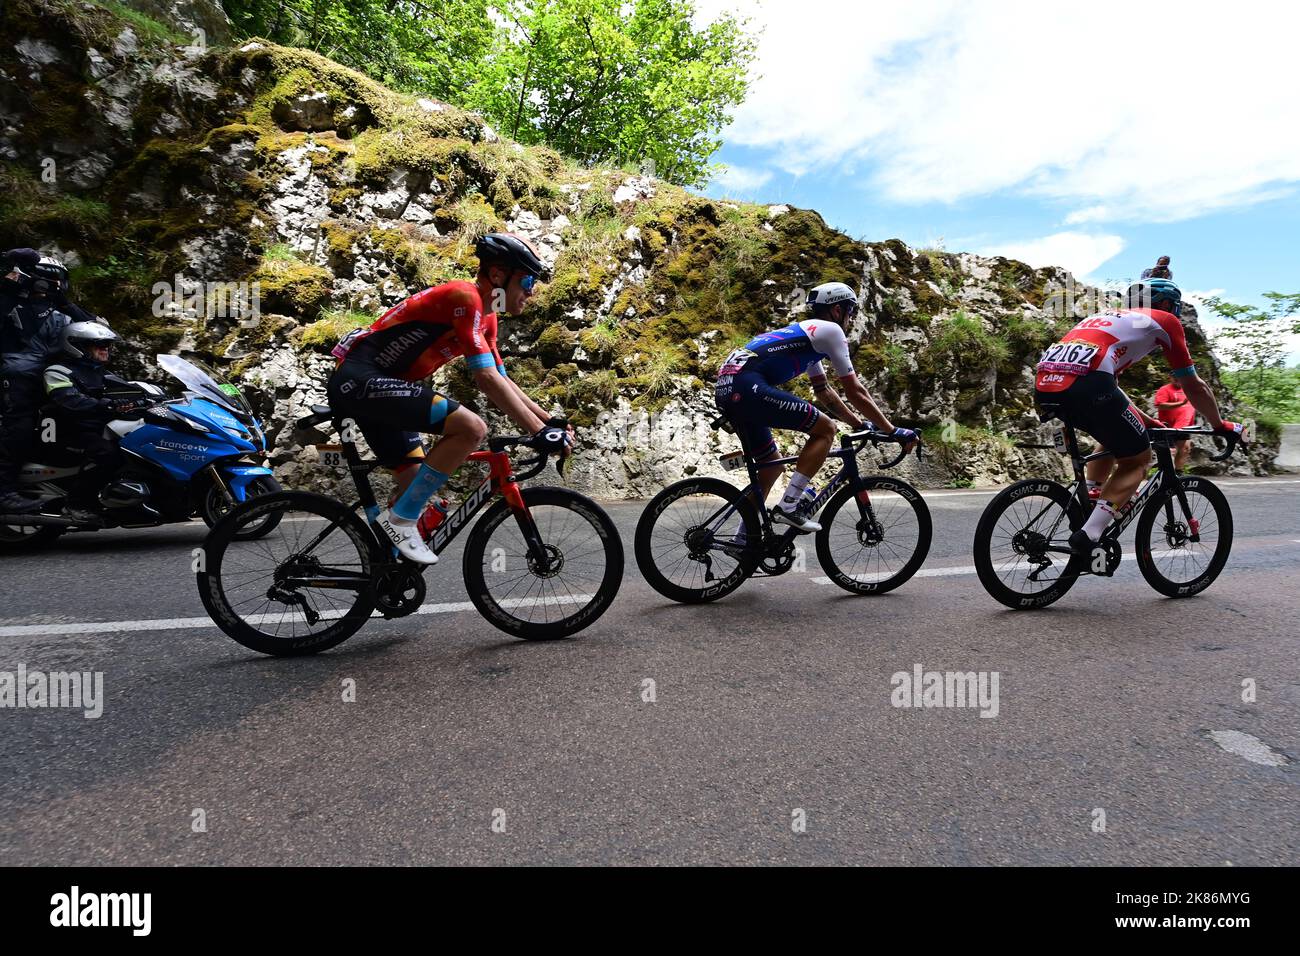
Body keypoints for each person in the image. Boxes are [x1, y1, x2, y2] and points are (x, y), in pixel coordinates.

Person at [327, 232, 570, 564]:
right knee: (471, 428)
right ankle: (400, 522)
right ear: (498, 274)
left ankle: (384, 570)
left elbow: (501, 378)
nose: (532, 290)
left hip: (383, 391)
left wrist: (547, 422)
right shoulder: (465, 297)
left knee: (414, 491)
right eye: (527, 279)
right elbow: (484, 378)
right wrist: (537, 432)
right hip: (360, 380)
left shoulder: (488, 317)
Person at [1033, 278, 1242, 554]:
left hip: (1045, 385)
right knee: (1137, 461)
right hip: (1090, 386)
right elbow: (1193, 385)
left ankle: (1094, 494)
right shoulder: (1164, 319)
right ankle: (1089, 536)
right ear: (1167, 304)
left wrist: (1145, 420)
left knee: (1113, 434)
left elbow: (1111, 389)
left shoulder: (1103, 317)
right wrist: (1220, 424)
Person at [714, 281, 917, 533]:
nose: (851, 319)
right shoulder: (831, 331)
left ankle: (743, 539)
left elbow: (825, 393)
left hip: (728, 388)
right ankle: (789, 506)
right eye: (850, 311)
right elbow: (855, 391)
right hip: (746, 387)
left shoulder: (808, 337)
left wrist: (858, 424)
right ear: (836, 310)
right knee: (825, 429)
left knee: (772, 466)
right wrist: (891, 430)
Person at [0, 250, 97, 514]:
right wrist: (10, 288)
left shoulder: (59, 312)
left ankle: (75, 484)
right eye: (46, 280)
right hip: (16, 376)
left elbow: (97, 330)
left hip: (52, 376)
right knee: (18, 426)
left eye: (57, 281)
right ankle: (4, 492)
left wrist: (65, 303)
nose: (51, 286)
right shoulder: (10, 304)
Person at [40, 322, 145, 522]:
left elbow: (127, 389)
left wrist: (148, 397)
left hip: (97, 428)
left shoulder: (100, 371)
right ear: (77, 346)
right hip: (69, 431)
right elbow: (68, 399)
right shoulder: (57, 371)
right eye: (99, 344)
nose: (106, 348)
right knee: (108, 455)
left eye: (107, 344)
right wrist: (104, 405)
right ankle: (77, 503)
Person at [1153, 371, 1196, 470]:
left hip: (1185, 427)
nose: (1177, 379)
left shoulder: (1188, 389)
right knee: (1170, 452)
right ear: (1170, 377)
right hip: (1168, 427)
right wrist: (1180, 404)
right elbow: (1160, 405)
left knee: (1185, 449)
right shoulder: (1165, 389)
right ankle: (1166, 474)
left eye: (1179, 377)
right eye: (1175, 377)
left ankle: (1178, 474)